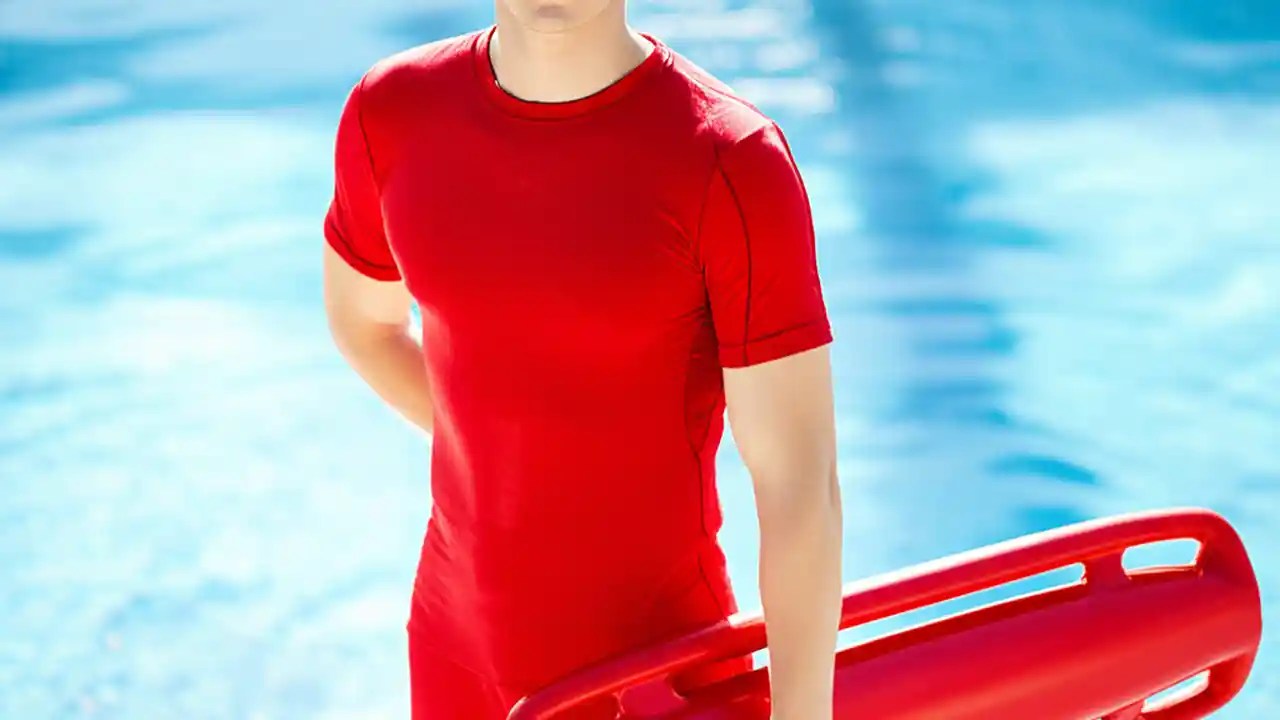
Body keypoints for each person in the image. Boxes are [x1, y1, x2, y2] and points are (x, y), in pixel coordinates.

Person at [321, 2, 843, 718]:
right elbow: (366, 323)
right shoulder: (394, 110)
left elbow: (797, 485)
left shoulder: (732, 159)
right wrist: (503, 449)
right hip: (453, 657)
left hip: (656, 679)